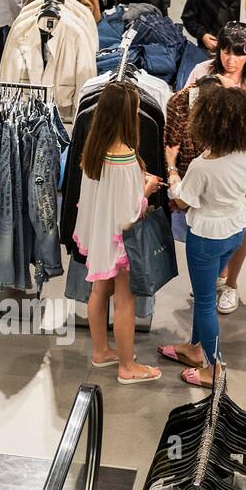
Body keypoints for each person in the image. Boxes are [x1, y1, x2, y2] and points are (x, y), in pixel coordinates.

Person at [161, 84, 246, 387]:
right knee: (205, 296)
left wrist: (171, 167)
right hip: (234, 229)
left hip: (206, 236)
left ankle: (214, 368)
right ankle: (195, 349)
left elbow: (181, 200)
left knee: (205, 301)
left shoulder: (202, 167)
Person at [177, 23, 246, 314]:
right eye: (226, 51)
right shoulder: (201, 72)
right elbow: (185, 112)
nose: (231, 59)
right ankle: (210, 279)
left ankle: (230, 283)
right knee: (207, 223)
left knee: (241, 226)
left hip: (245, 165)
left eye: (239, 53)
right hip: (207, 164)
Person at [74, 82, 164, 384]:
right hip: (121, 240)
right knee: (125, 301)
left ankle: (101, 351)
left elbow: (93, 196)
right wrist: (147, 188)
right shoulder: (124, 155)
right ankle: (128, 367)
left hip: (100, 233)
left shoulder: (94, 149)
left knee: (100, 291)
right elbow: (132, 211)